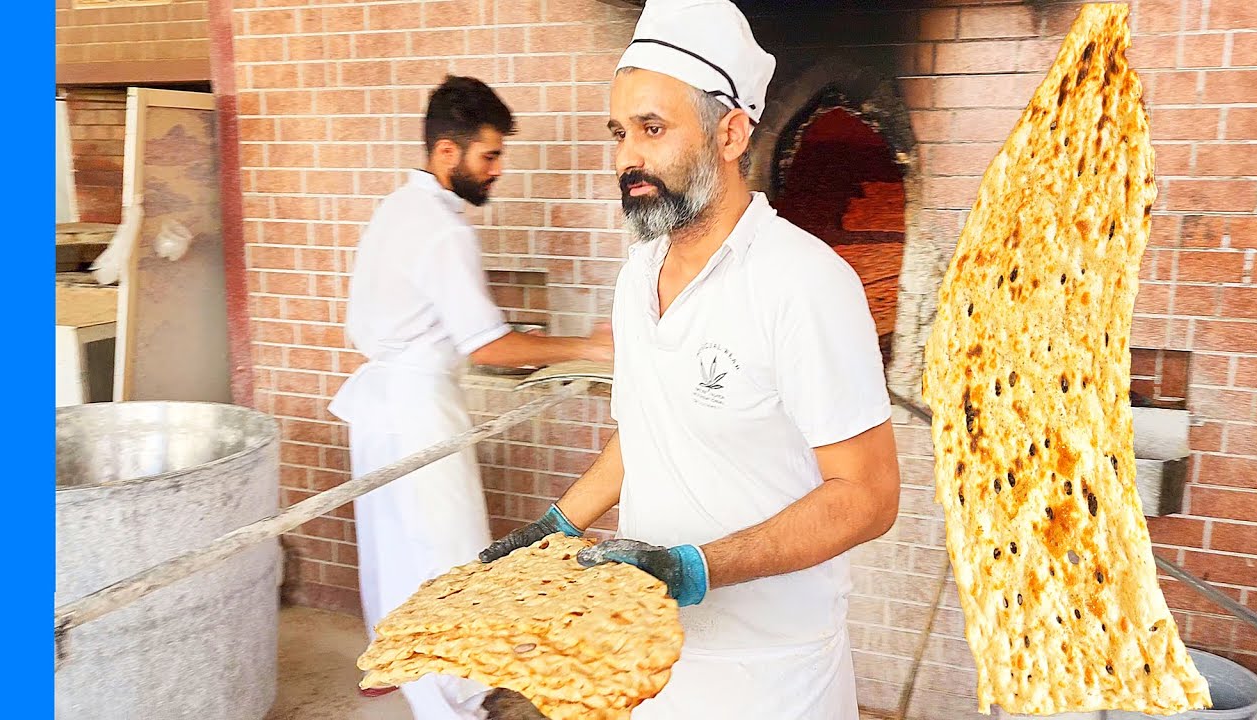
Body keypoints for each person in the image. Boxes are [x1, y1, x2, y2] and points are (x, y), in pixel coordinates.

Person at [479, 2, 901, 719]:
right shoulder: (638, 276)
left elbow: (868, 497)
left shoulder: (803, 283)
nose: (626, 159)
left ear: (731, 132)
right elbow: (647, 433)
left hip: (771, 675)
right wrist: (556, 526)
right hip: (650, 653)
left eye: (652, 128)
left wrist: (698, 568)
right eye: (619, 133)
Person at [328, 75, 613, 720]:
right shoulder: (440, 230)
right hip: (417, 412)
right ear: (448, 153)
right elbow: (487, 346)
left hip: (380, 411)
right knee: (447, 555)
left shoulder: (398, 208)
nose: (498, 171)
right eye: (490, 156)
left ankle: (403, 666)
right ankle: (457, 701)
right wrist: (591, 346)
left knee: (394, 551)